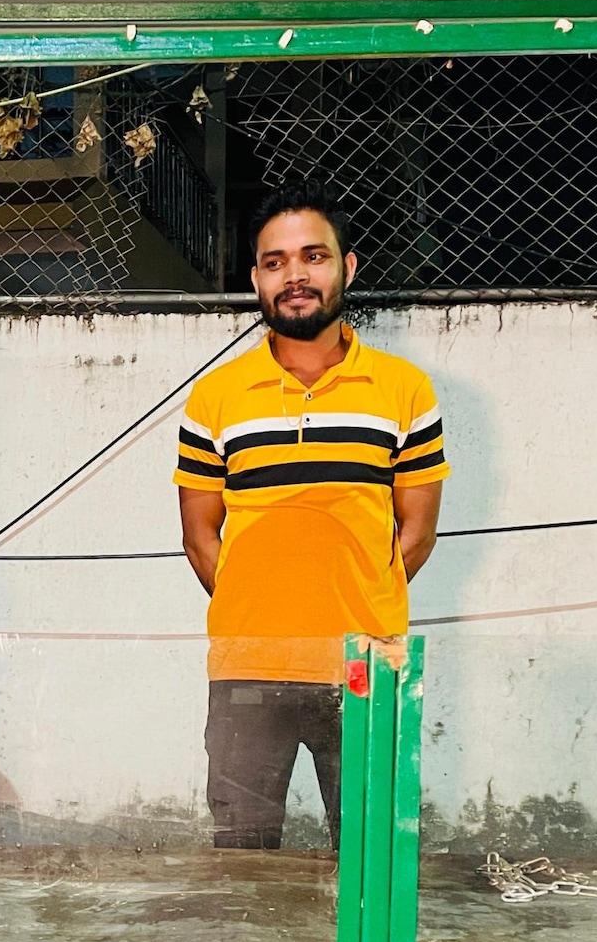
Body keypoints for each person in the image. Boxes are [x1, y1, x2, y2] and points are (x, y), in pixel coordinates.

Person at [176, 180, 448, 849]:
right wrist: (258, 608)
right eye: (275, 262)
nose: (294, 276)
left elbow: (416, 533)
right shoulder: (214, 397)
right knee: (242, 860)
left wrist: (360, 603)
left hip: (365, 666)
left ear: (346, 267)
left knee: (369, 855)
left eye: (313, 256)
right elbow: (199, 537)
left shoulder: (404, 391)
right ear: (256, 279)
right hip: (246, 666)